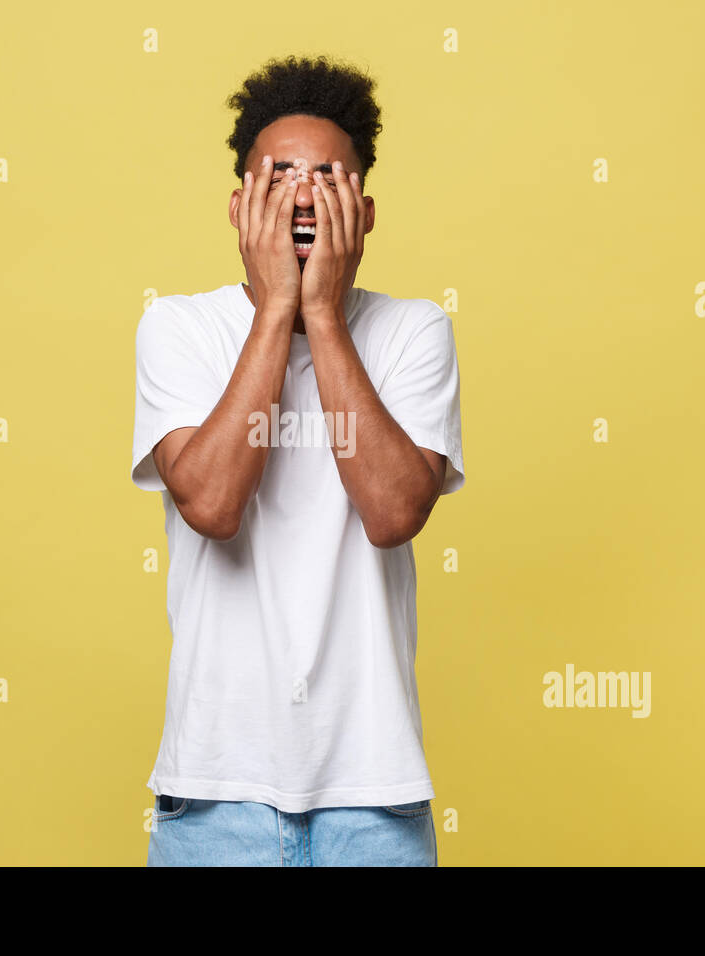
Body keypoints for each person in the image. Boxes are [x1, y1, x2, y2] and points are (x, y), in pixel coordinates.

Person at [130, 54, 464, 866]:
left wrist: (325, 311)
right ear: (242, 205)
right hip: (215, 793)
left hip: (373, 798)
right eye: (279, 176)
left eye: (328, 176)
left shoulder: (414, 331)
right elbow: (212, 505)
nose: (305, 194)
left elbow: (392, 514)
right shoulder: (179, 329)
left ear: (366, 210)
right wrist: (279, 307)